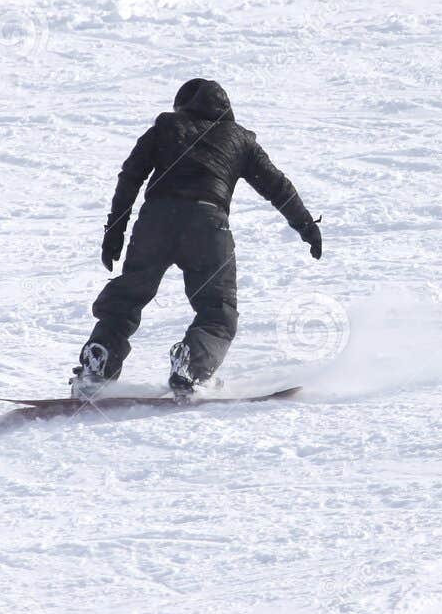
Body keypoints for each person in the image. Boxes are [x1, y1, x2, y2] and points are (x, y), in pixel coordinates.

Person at [72, 78, 321, 400]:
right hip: (207, 224)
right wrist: (306, 227)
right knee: (217, 309)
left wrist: (114, 231)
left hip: (155, 222)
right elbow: (277, 186)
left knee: (126, 300)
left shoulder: (165, 127)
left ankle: (97, 364)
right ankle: (191, 365)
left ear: (181, 107)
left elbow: (130, 176)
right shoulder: (240, 139)